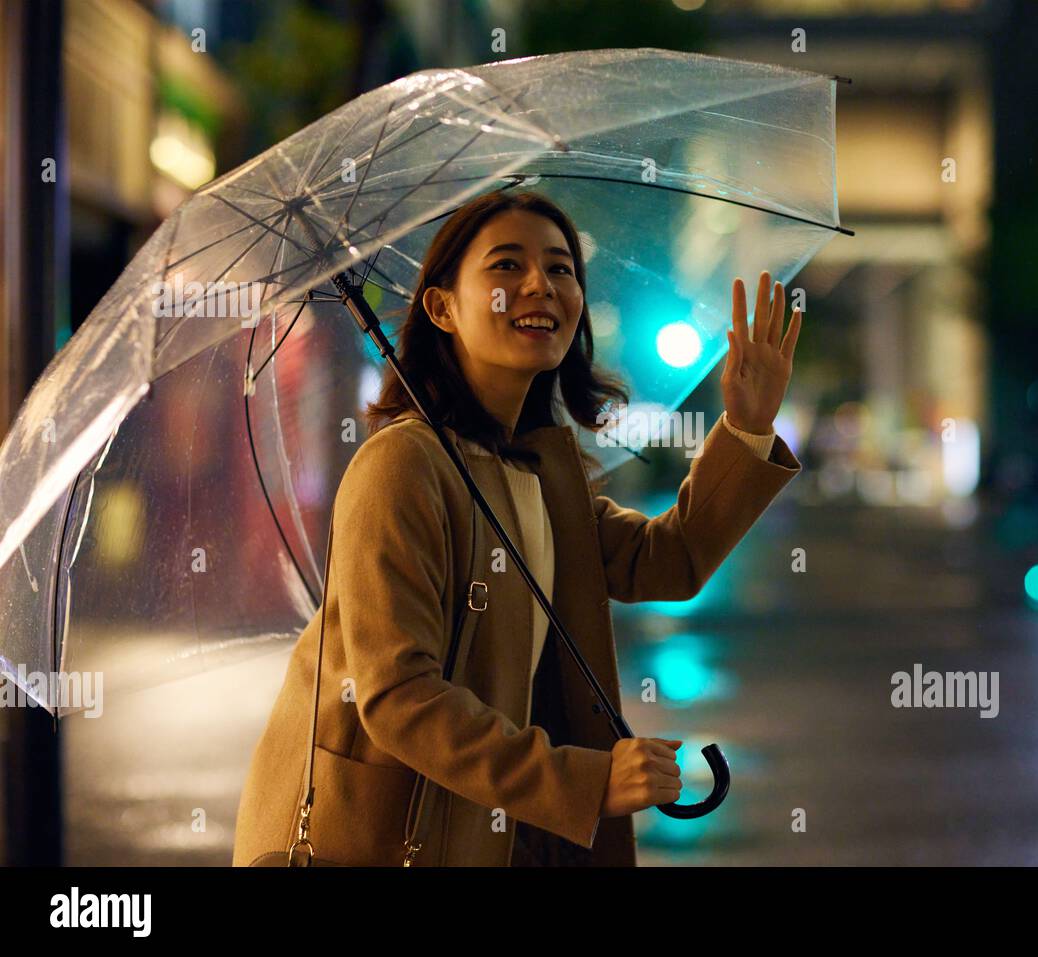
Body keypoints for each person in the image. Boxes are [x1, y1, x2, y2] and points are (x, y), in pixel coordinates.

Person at [232, 188, 803, 866]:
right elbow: (397, 695)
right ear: (443, 307)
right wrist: (580, 779)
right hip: (378, 840)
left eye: (562, 269)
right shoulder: (400, 466)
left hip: (483, 832)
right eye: (507, 266)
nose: (541, 285)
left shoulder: (535, 471)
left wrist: (747, 425)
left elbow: (666, 559)